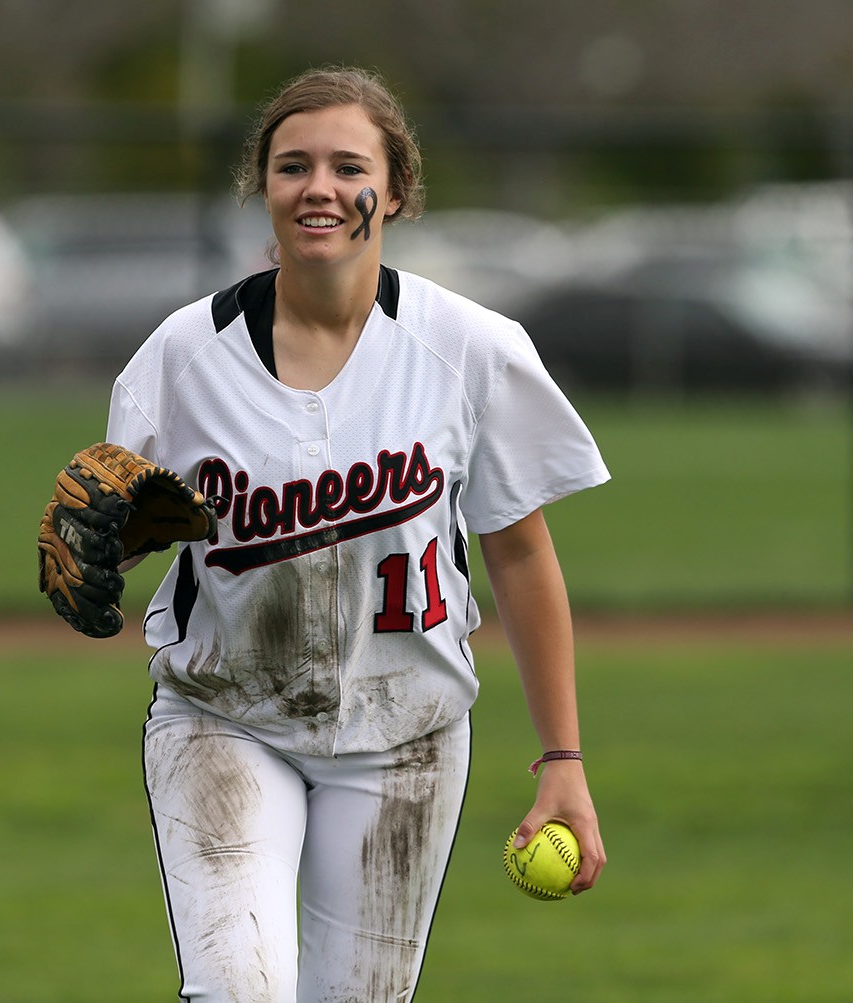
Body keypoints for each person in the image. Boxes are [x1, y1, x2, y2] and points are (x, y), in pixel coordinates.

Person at [105, 64, 609, 1002]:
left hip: (407, 736)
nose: (320, 188)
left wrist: (563, 764)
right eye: (294, 166)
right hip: (222, 717)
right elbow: (117, 534)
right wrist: (105, 553)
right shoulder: (183, 357)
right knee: (239, 991)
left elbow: (520, 551)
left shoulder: (470, 350)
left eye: (348, 165)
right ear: (265, 189)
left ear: (398, 190)